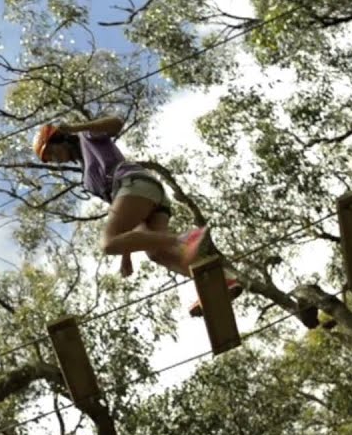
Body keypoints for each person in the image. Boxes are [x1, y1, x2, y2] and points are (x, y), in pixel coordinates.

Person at [34, 116, 241, 316]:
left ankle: (184, 239)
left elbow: (116, 123)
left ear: (58, 139)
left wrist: (73, 128)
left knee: (107, 243)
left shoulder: (86, 136)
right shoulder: (86, 175)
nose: (54, 161)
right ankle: (223, 280)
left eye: (51, 153)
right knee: (157, 253)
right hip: (143, 195)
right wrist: (127, 252)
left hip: (134, 184)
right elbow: (123, 212)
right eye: (50, 160)